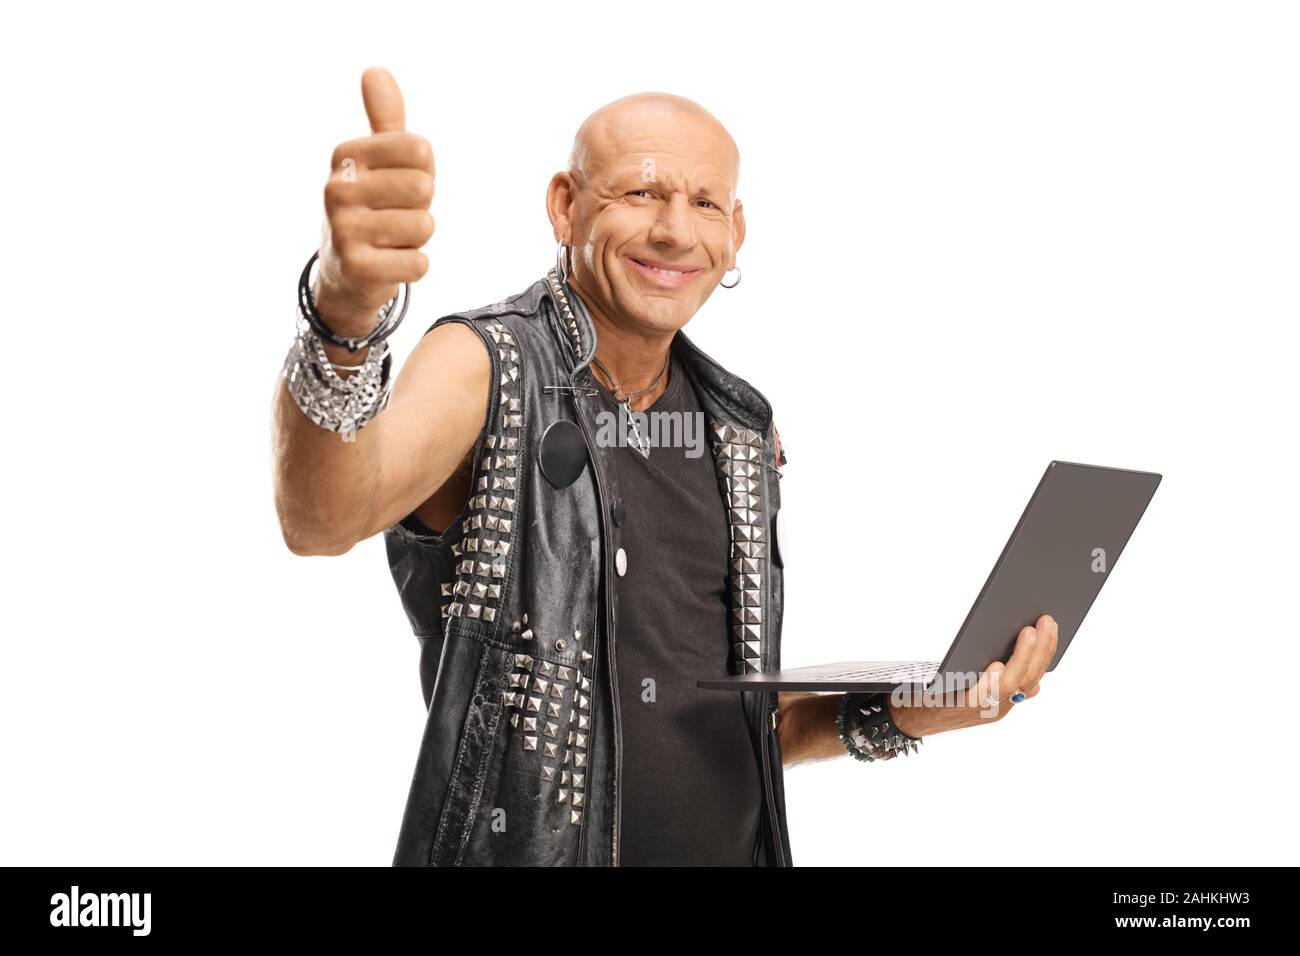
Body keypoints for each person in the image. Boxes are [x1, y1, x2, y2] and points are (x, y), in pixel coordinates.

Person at [271, 67, 1060, 866]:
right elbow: (321, 517)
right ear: (565, 206)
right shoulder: (489, 364)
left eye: (706, 203)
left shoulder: (737, 427)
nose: (676, 231)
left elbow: (748, 727)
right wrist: (344, 314)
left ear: (736, 233)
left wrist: (915, 711)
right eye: (641, 195)